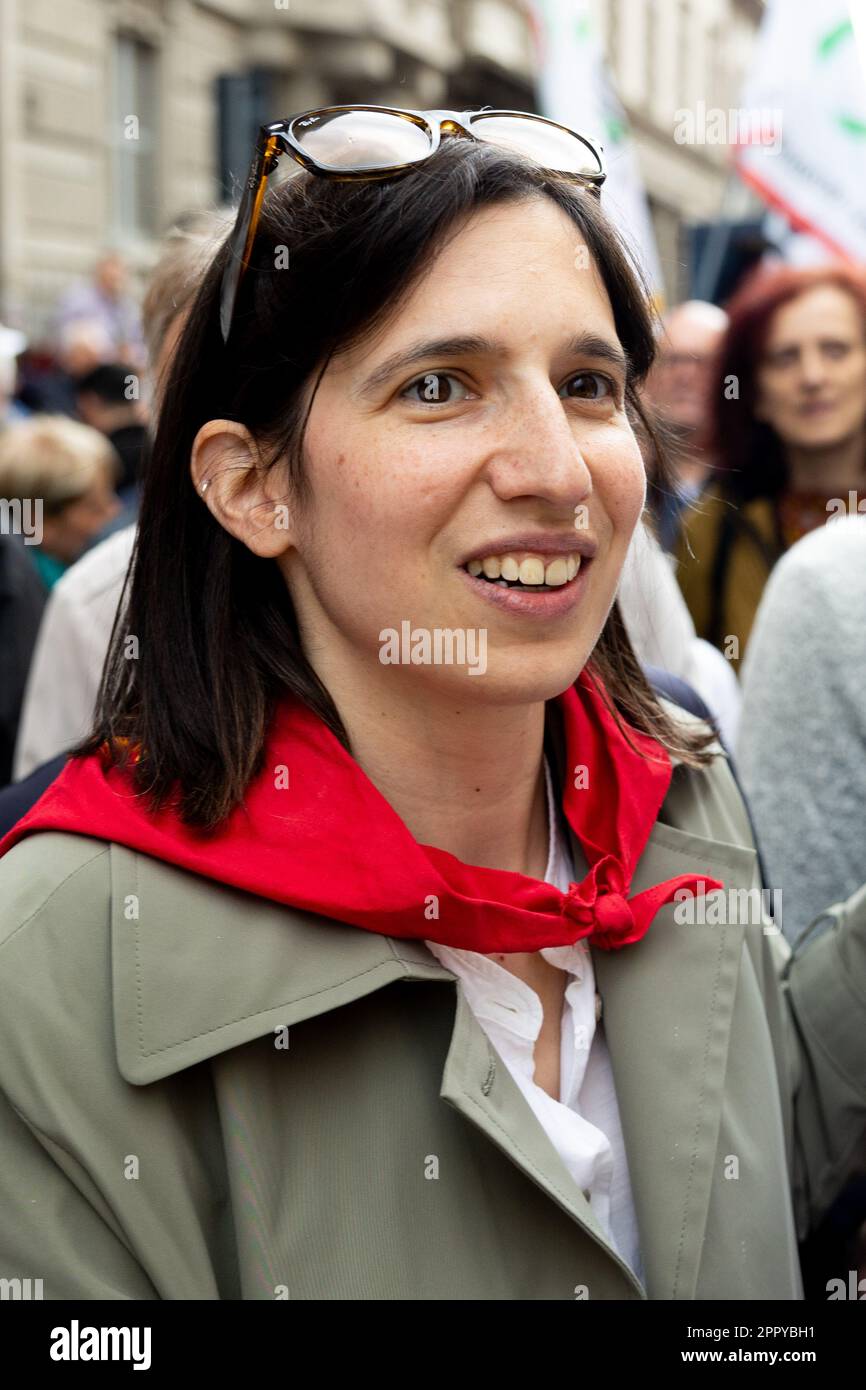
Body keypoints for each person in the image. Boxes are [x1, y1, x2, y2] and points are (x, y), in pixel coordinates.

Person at [0, 111, 862, 1301]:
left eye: (585, 383)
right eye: (441, 385)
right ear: (251, 488)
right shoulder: (48, 965)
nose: (556, 469)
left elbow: (748, 1162)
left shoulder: (669, 791)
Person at [674, 262, 866, 672]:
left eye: (836, 350)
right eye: (784, 358)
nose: (812, 376)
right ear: (754, 390)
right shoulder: (713, 527)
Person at [643, 300, 728, 552]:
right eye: (673, 360)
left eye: (703, 362)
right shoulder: (621, 483)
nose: (685, 376)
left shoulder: (756, 486)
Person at [0, 416, 121, 590]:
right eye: (94, 508)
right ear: (37, 523)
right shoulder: (42, 599)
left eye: (109, 496)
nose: (114, 511)